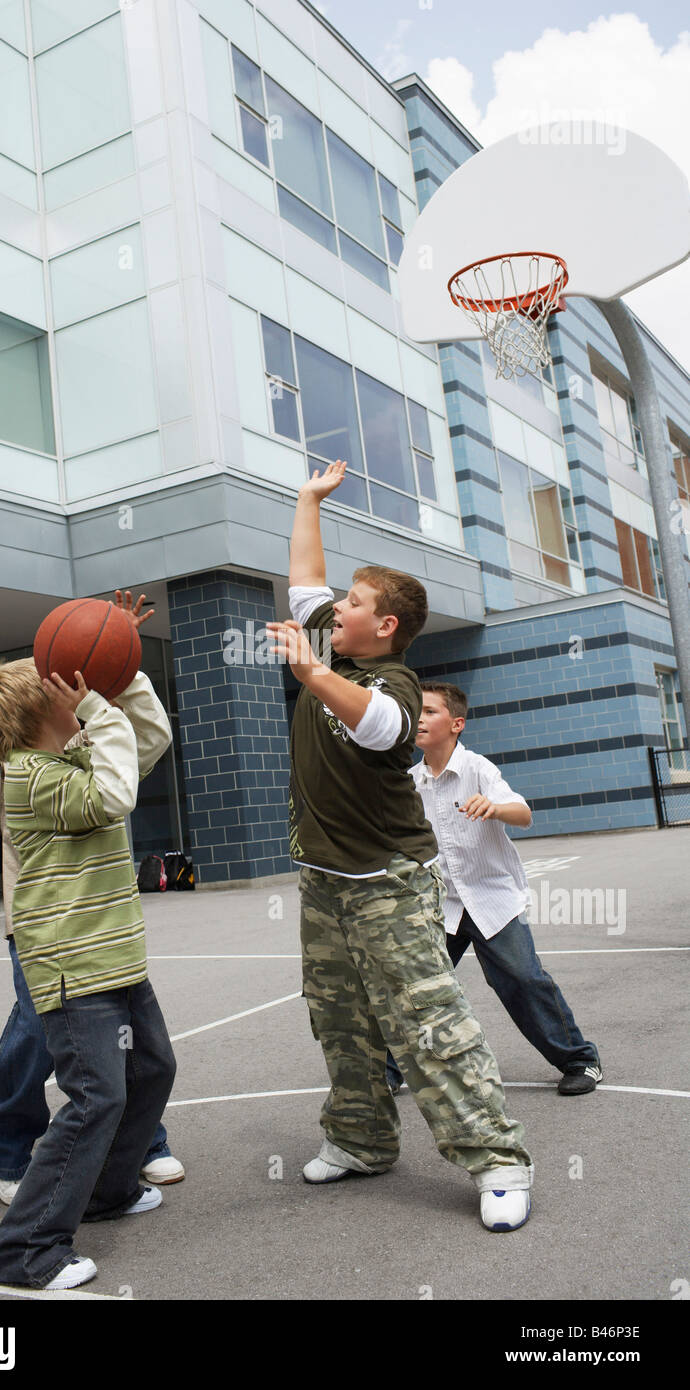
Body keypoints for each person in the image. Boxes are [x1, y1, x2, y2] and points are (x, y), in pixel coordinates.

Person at [266, 460, 534, 1232]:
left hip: (388, 882)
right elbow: (303, 579)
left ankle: (498, 1159)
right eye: (340, 601)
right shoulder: (335, 648)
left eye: (351, 604)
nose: (333, 608)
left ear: (383, 627)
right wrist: (306, 500)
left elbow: (378, 729)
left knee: (427, 1022)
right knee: (339, 1017)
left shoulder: (396, 683)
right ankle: (359, 1139)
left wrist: (312, 670)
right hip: (323, 881)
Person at [0, 596, 185, 1207]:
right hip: (49, 933)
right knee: (51, 1047)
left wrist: (115, 665)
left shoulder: (76, 753)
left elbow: (145, 742)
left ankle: (137, 1150)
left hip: (96, 936)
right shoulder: (22, 773)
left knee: (131, 1058)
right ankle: (13, 1161)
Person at [410, 681, 603, 1096]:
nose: (419, 718)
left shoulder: (478, 769)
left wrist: (494, 807)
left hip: (491, 898)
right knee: (413, 990)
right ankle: (386, 1072)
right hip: (439, 906)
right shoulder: (410, 783)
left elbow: (524, 813)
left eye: (429, 711)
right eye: (416, 711)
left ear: (456, 723)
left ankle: (580, 1060)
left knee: (521, 980)